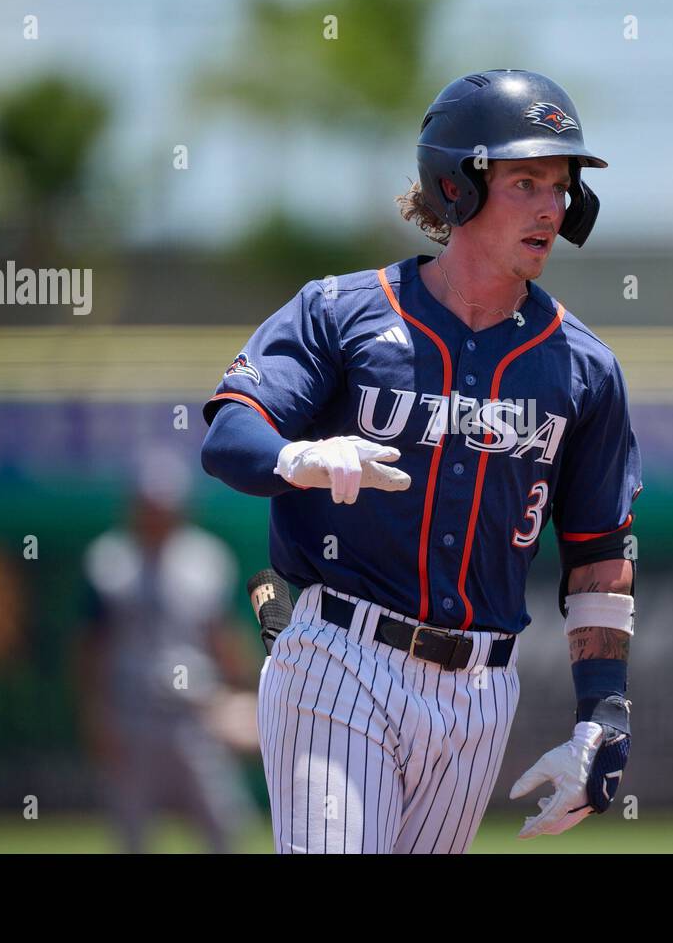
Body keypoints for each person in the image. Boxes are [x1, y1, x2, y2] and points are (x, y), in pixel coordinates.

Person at [200, 69, 642, 854]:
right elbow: (230, 435)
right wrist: (299, 456)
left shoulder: (584, 368)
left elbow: (599, 557)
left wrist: (602, 712)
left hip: (480, 692)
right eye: (527, 181)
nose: (552, 207)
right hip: (339, 657)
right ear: (458, 188)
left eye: (562, 186)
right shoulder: (342, 311)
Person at [78, 448, 254, 853]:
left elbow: (221, 636)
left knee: (225, 826)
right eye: (149, 503)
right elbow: (90, 648)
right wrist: (96, 715)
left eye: (164, 504)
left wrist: (247, 696)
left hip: (196, 715)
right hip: (132, 715)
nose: (156, 512)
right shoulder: (109, 560)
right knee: (133, 835)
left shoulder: (205, 558)